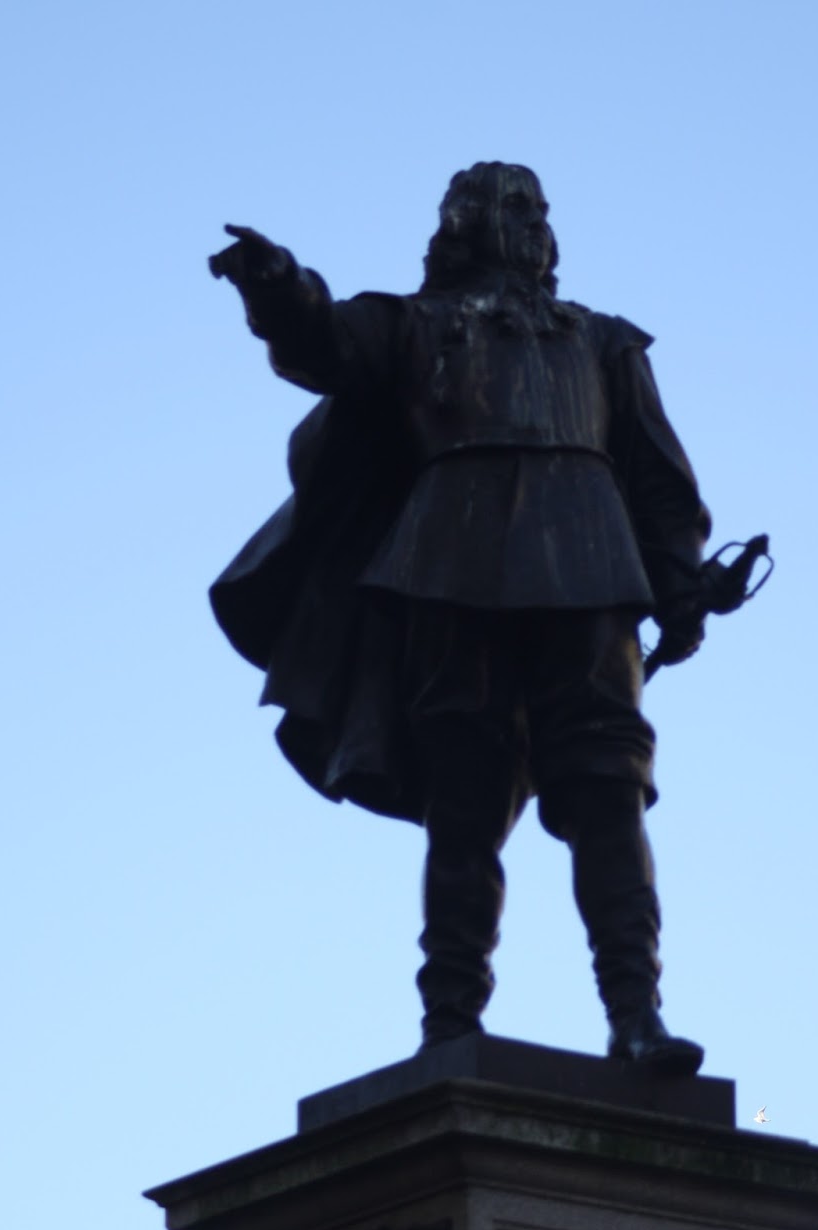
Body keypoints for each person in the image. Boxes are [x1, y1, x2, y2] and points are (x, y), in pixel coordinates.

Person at [208, 161, 710, 1071]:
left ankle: (635, 1016)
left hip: (591, 575)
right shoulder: (416, 324)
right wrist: (277, 285)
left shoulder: (603, 343)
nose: (534, 227)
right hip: (452, 571)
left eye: (541, 211)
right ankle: (450, 1023)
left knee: (607, 792)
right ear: (466, 224)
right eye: (514, 209)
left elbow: (657, 474)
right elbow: (322, 340)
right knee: (466, 807)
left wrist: (679, 586)